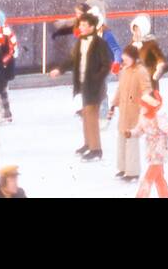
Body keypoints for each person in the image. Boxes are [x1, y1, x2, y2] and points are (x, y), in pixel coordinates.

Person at [49, 14, 112, 161]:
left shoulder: (100, 43)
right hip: (84, 84)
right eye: (81, 25)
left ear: (91, 27)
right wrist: (60, 69)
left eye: (84, 25)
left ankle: (96, 148)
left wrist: (96, 78)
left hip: (94, 86)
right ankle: (88, 143)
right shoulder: (80, 42)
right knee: (86, 115)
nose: (81, 28)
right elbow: (73, 59)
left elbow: (106, 65)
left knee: (91, 116)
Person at [110, 44, 150, 183]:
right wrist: (114, 103)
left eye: (126, 58)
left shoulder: (141, 71)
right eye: (123, 58)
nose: (124, 61)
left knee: (131, 141)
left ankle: (133, 171)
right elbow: (120, 89)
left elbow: (146, 89)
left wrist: (145, 105)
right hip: (124, 110)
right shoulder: (125, 71)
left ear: (133, 58)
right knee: (121, 139)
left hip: (134, 111)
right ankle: (123, 167)